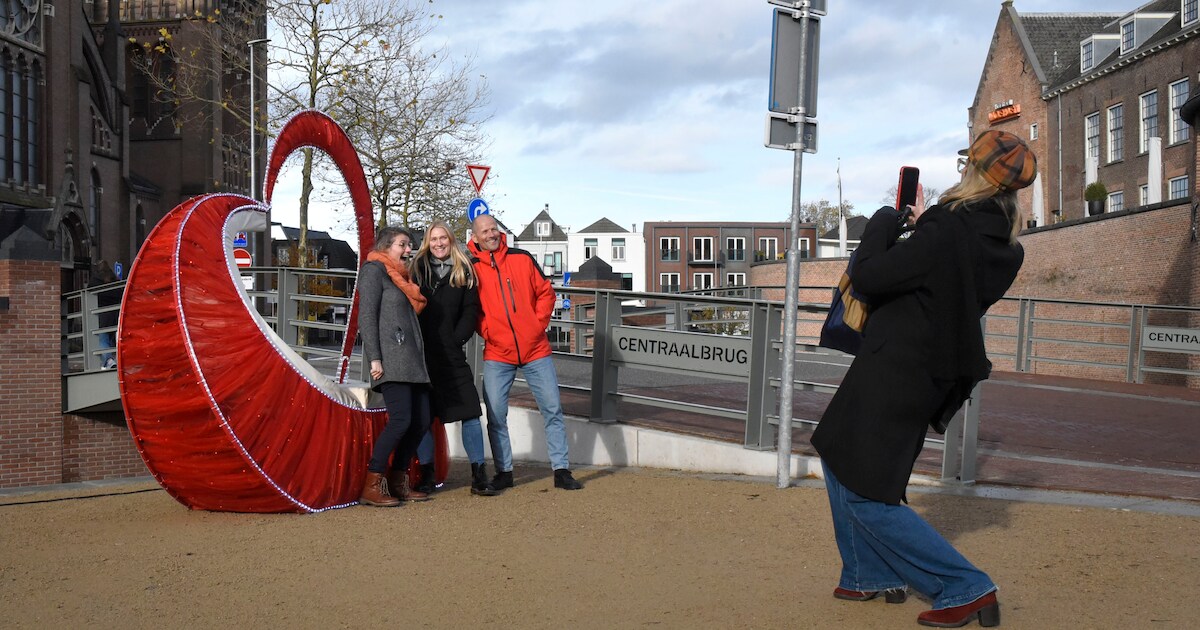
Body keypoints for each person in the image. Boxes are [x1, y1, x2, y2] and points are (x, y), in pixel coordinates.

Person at [810, 129, 1035, 628]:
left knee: (869, 493)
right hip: (928, 370)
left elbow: (870, 276)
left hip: (897, 368)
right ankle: (865, 572)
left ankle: (964, 585)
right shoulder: (1005, 247)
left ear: (974, 173)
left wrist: (881, 224)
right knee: (837, 451)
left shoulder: (948, 228)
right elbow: (941, 278)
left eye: (964, 166)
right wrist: (921, 228)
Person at [467, 214, 582, 491]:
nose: (491, 234)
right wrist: (489, 331)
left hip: (535, 349)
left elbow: (546, 292)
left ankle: (561, 470)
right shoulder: (470, 268)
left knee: (552, 408)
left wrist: (537, 324)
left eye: (494, 228)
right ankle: (504, 472)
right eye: (485, 231)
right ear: (475, 237)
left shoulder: (522, 258)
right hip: (497, 352)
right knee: (495, 415)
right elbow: (470, 309)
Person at [409, 220, 499, 497]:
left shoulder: (464, 270)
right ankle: (427, 474)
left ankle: (478, 473)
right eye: (433, 239)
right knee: (422, 416)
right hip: (421, 353)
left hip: (451, 353)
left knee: (470, 412)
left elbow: (470, 311)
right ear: (427, 242)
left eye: (443, 238)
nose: (438, 243)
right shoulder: (417, 270)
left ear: (451, 240)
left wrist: (456, 339)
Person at [357, 226, 433, 507]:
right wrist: (374, 358)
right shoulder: (374, 271)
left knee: (422, 420)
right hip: (391, 359)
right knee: (401, 420)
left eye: (409, 245)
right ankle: (372, 483)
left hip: (412, 361)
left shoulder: (402, 278)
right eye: (402, 244)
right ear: (386, 245)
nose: (408, 250)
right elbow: (366, 317)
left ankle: (399, 480)